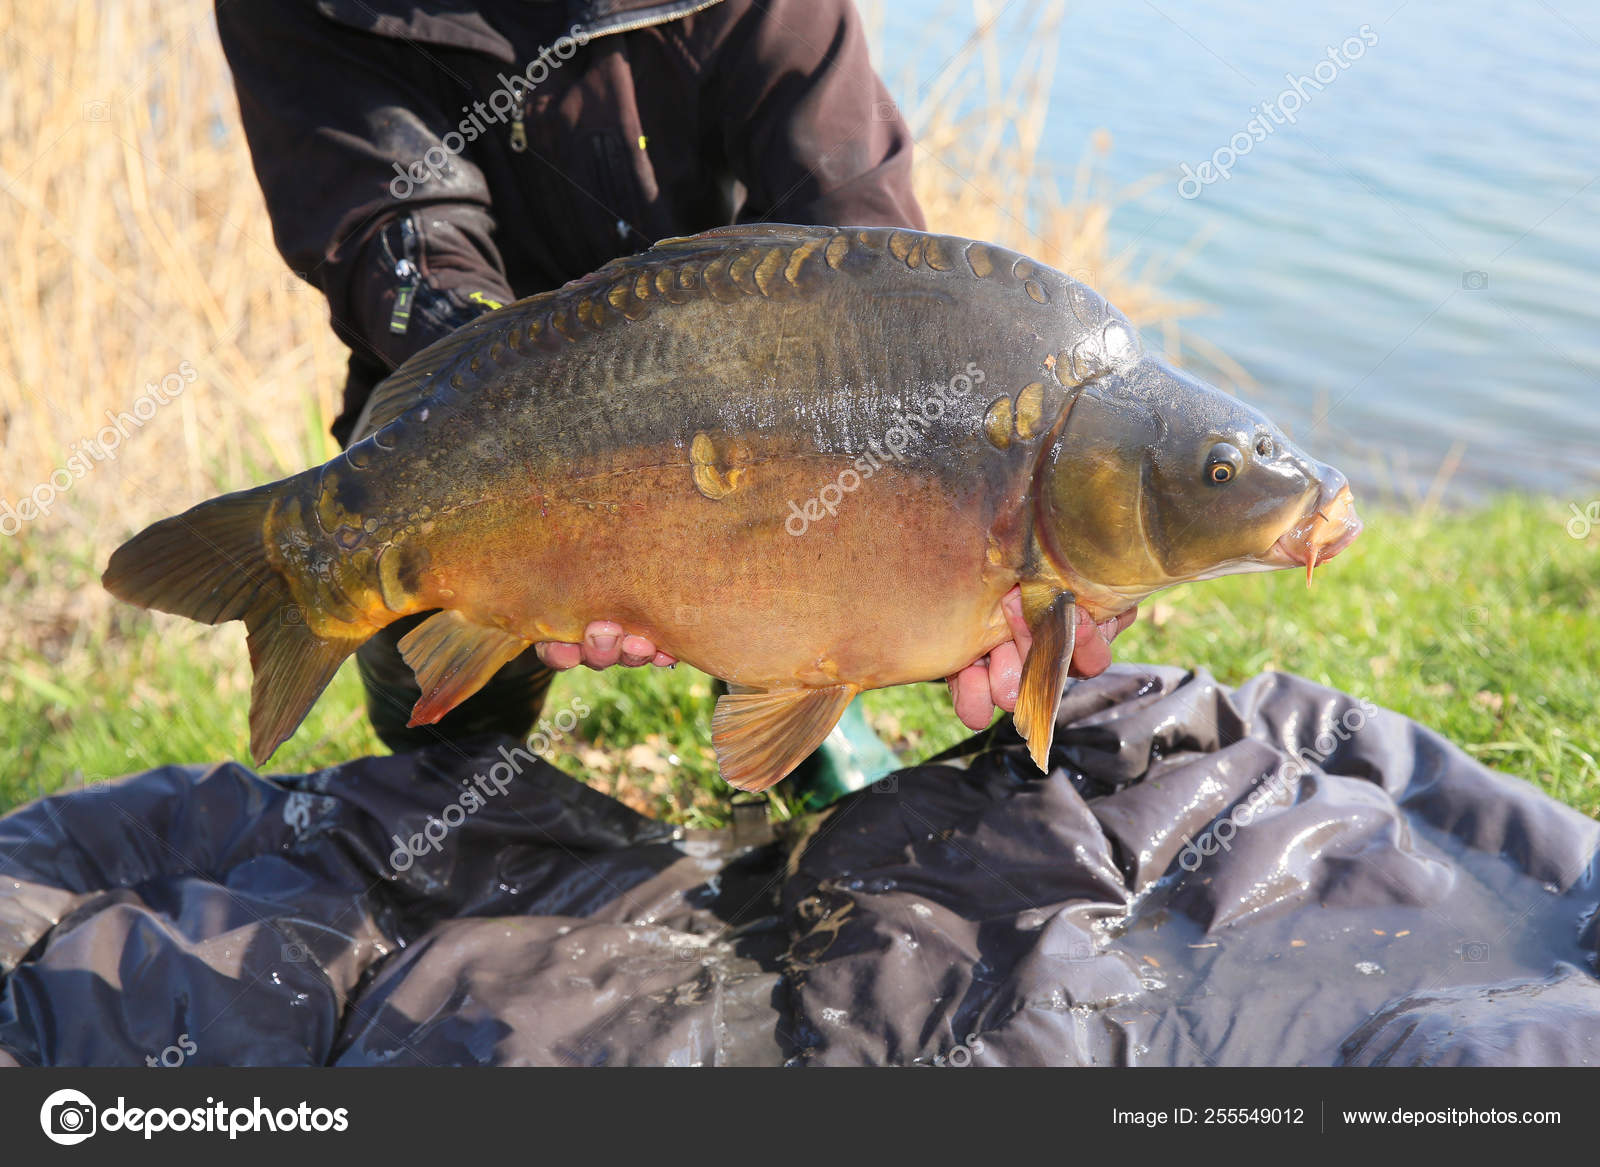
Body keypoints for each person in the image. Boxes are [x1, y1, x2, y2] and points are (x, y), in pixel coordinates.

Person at [216, 0, 1134, 790]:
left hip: (745, 371)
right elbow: (395, 226)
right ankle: (470, 774)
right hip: (462, 358)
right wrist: (551, 462)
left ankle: (802, 675)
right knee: (403, 531)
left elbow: (849, 210)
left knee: (855, 491)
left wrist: (950, 531)